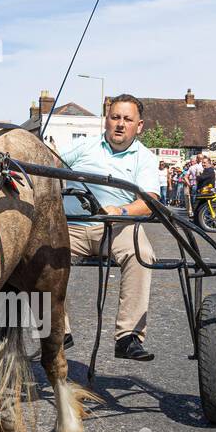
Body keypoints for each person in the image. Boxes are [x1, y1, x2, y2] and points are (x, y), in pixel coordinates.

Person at [60, 94, 160, 360]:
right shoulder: (83, 147)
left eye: (127, 119)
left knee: (142, 254)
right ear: (107, 121)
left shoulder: (146, 158)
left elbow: (150, 201)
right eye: (115, 117)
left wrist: (122, 211)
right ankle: (56, 330)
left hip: (118, 227)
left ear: (139, 126)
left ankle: (128, 337)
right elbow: (48, 165)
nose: (120, 124)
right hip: (73, 226)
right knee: (37, 255)